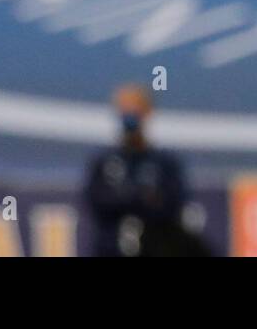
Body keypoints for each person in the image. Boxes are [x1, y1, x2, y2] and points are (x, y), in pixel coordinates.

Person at [83, 83, 193, 256]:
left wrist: (126, 196)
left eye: (135, 109)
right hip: (110, 250)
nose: (130, 115)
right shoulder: (103, 162)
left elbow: (171, 206)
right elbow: (97, 202)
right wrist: (139, 195)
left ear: (147, 112)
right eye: (125, 109)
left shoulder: (164, 164)